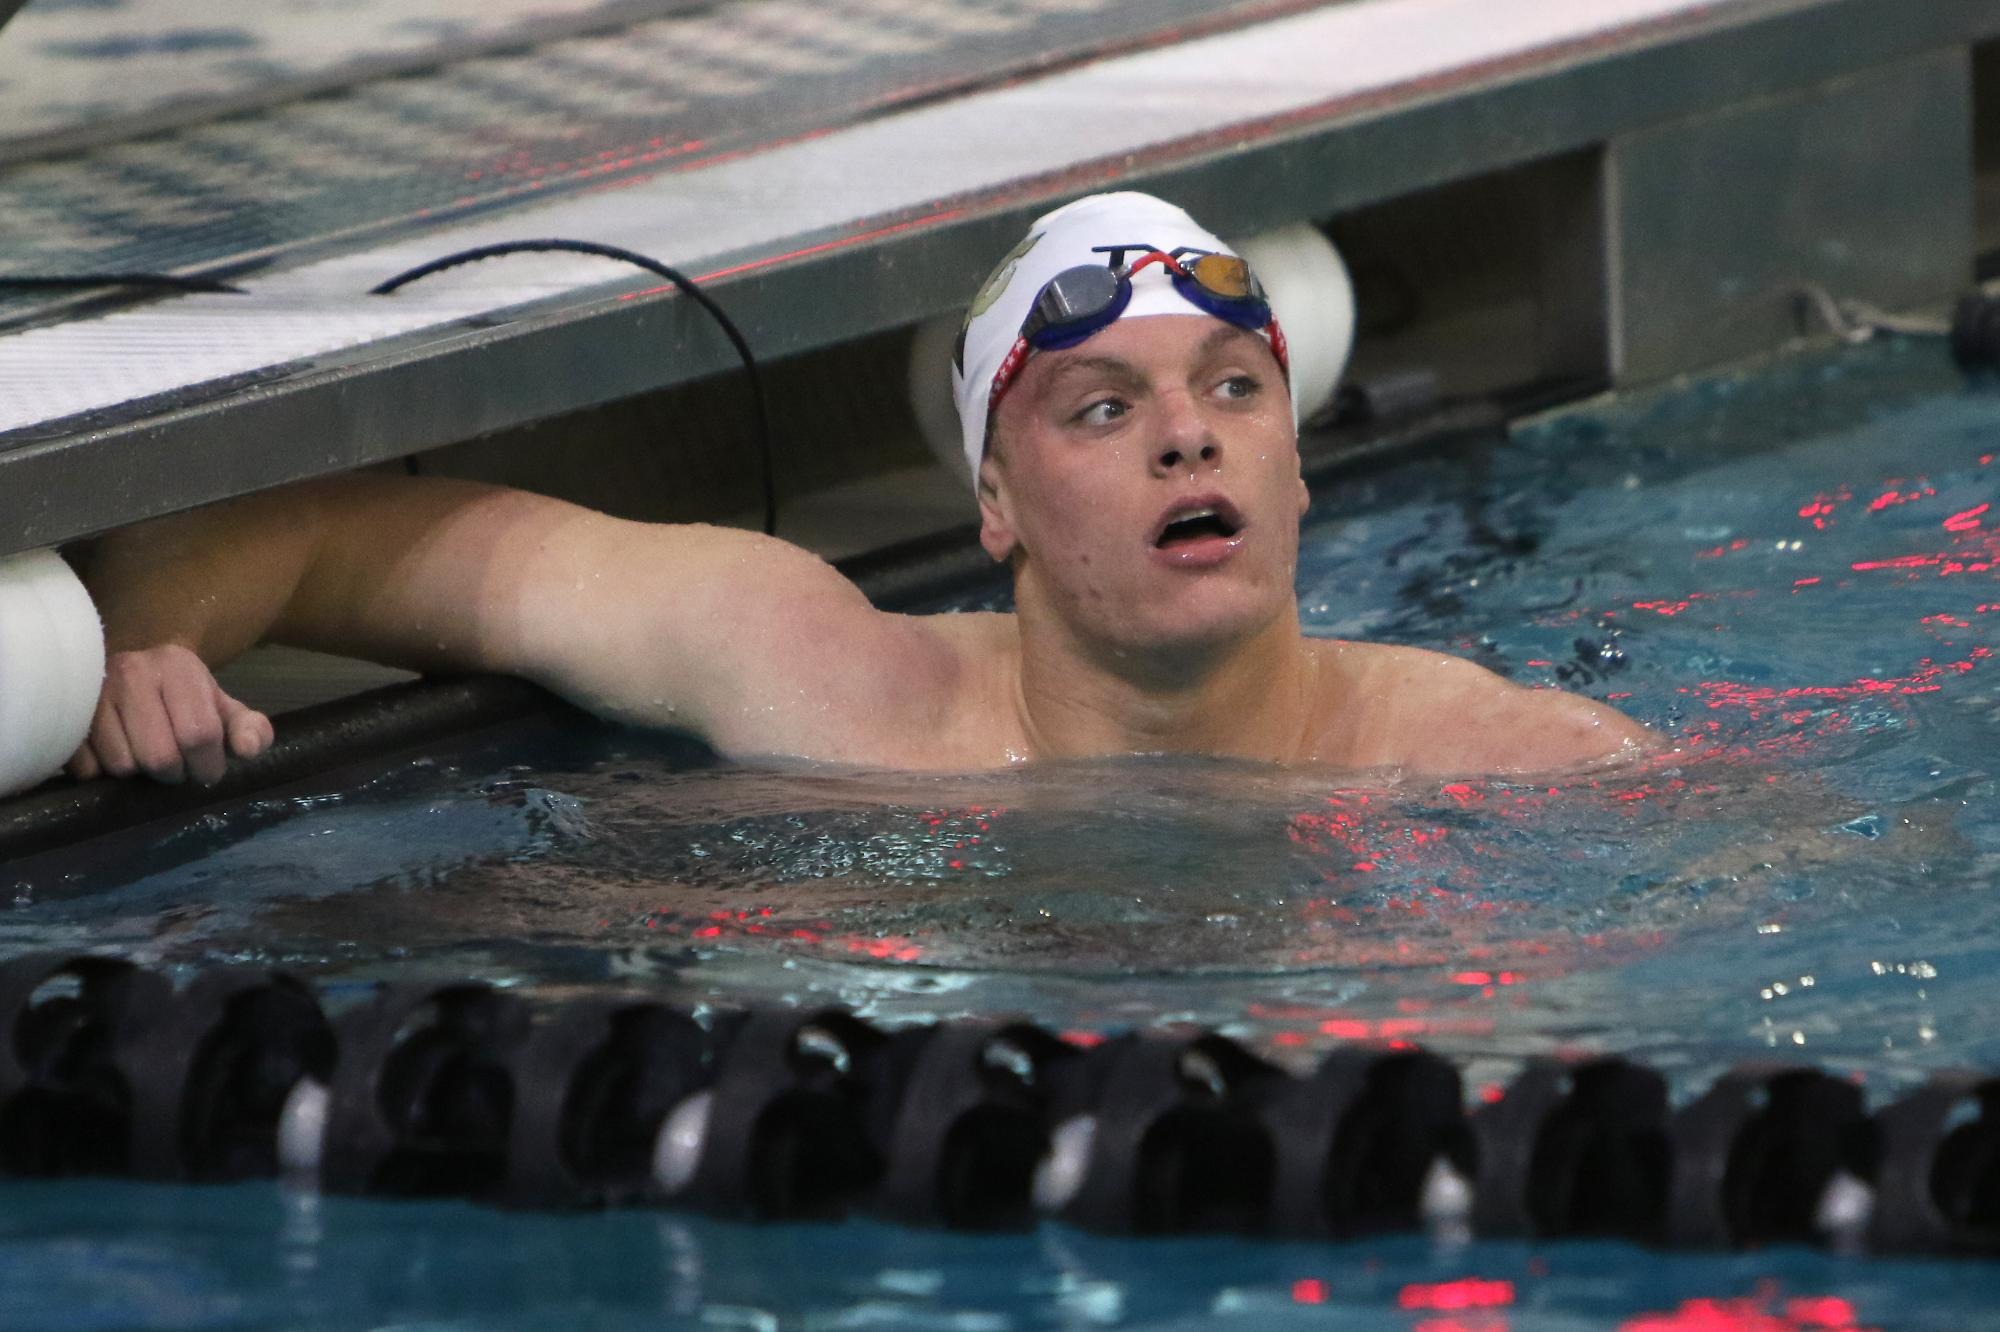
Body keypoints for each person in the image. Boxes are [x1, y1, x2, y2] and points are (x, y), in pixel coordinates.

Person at [69, 192, 1657, 787]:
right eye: (1104, 409)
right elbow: (307, 528)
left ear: (1297, 467)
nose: (1193, 438)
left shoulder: (1495, 757)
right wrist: (137, 653)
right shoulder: (828, 675)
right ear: (996, 505)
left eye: (1235, 391)